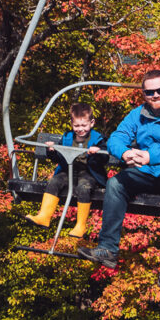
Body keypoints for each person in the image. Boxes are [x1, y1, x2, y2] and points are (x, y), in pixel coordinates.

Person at [78, 68, 160, 277]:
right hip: (147, 172)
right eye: (149, 92)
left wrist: (151, 156)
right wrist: (124, 153)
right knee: (115, 183)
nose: (156, 96)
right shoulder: (138, 114)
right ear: (143, 94)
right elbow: (117, 138)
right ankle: (107, 248)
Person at [25, 102, 107, 238]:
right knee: (54, 181)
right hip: (69, 171)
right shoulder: (67, 137)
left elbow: (105, 156)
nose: (80, 129)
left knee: (84, 187)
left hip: (88, 173)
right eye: (77, 125)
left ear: (91, 123)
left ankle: (80, 225)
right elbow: (58, 159)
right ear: (72, 123)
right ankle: (44, 216)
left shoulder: (97, 139)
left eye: (84, 125)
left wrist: (98, 151)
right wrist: (52, 150)